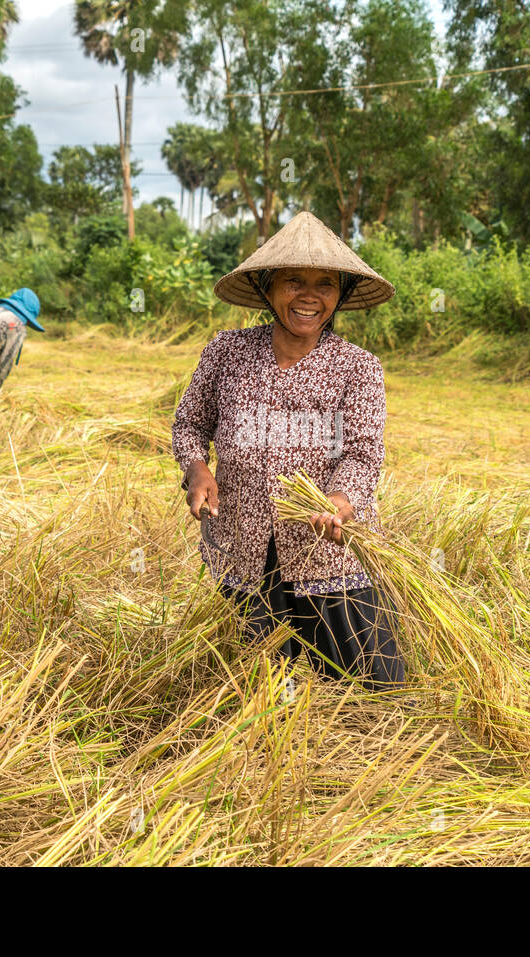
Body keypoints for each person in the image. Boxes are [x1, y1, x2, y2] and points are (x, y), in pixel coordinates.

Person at [172, 209, 406, 691]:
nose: (309, 296)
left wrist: (338, 506)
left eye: (325, 284)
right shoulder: (226, 352)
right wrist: (196, 470)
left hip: (328, 552)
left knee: (369, 690)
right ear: (266, 288)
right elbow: (191, 424)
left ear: (340, 295)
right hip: (244, 544)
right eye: (293, 280)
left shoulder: (358, 368)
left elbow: (363, 456)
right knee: (260, 685)